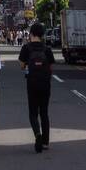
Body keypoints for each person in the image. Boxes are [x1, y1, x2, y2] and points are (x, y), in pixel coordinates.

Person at [19, 21, 56, 153]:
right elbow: (51, 67)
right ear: (42, 34)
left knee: (33, 112)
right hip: (45, 84)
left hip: (32, 83)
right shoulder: (47, 49)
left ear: (31, 34)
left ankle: (37, 135)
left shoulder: (26, 48)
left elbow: (22, 66)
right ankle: (45, 142)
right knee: (44, 112)